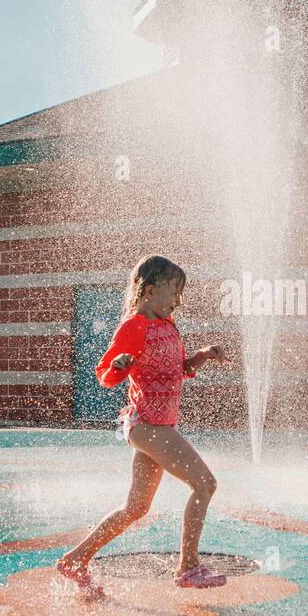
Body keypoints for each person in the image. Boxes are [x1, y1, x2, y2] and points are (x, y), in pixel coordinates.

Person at [55, 255, 230, 596]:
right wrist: (119, 366)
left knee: (136, 508)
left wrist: (203, 355)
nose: (178, 300)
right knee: (205, 484)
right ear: (149, 290)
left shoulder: (168, 324)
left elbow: (178, 369)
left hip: (157, 424)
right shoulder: (134, 326)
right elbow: (105, 375)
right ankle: (188, 567)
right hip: (148, 425)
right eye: (173, 292)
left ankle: (76, 559)